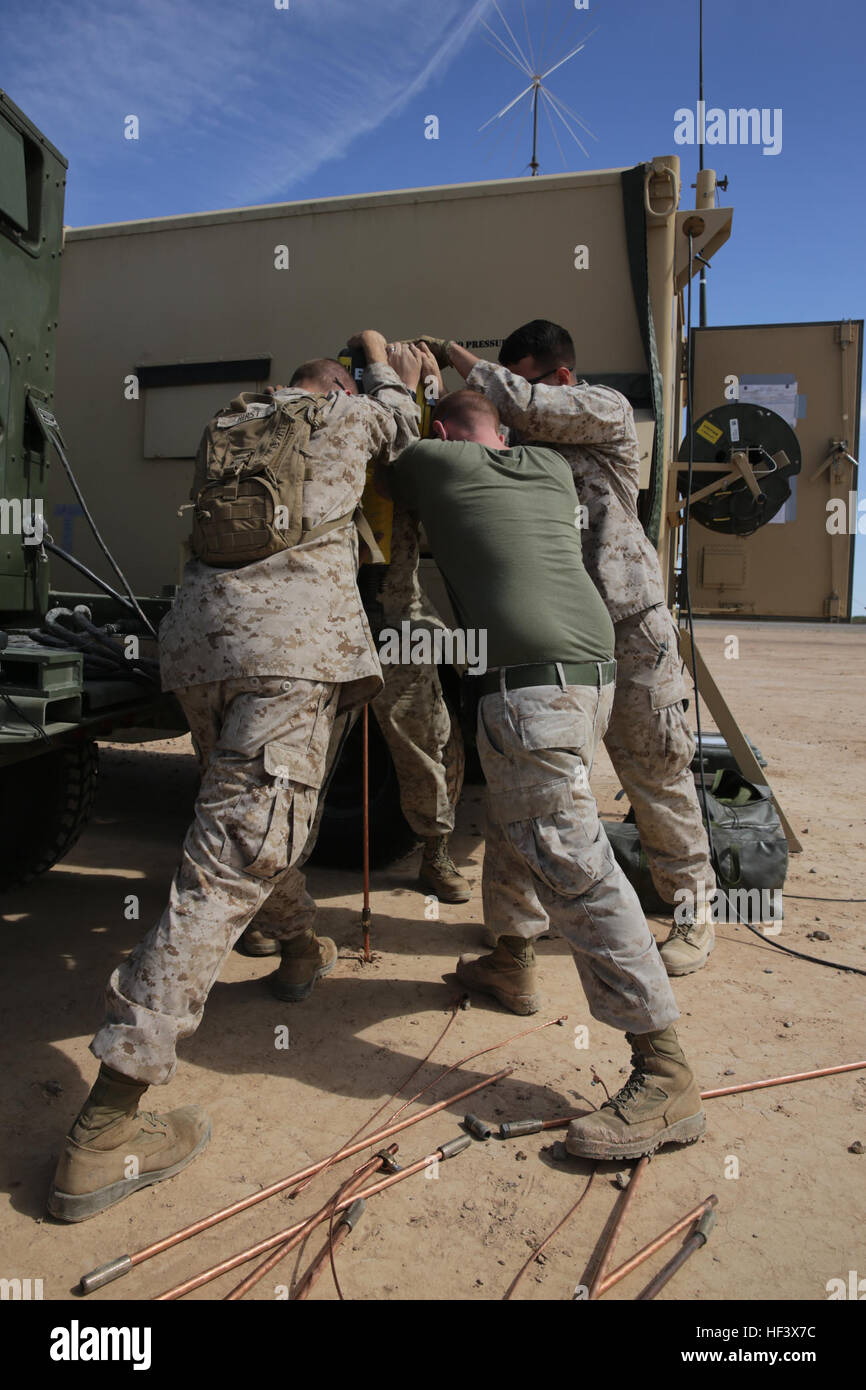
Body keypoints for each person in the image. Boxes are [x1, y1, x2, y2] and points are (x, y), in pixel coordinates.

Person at [47, 332, 422, 1222]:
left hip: (200, 650)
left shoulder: (231, 424)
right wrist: (382, 358)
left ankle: (295, 946)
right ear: (331, 392)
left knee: (252, 829)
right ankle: (106, 1126)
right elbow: (403, 417)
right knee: (226, 862)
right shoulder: (345, 414)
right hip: (287, 653)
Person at [388, 389, 705, 1162]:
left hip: (531, 687)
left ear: (444, 433)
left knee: (573, 861)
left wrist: (388, 370)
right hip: (589, 675)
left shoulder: (431, 460)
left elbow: (387, 445)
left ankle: (664, 1072)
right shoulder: (547, 468)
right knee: (510, 822)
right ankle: (512, 959)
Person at [416, 324, 716, 977]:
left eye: (524, 379)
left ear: (557, 378)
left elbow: (523, 405)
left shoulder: (602, 412)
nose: (515, 396)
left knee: (657, 772)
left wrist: (459, 357)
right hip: (551, 641)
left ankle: (693, 911)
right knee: (521, 794)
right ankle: (514, 944)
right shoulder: (516, 443)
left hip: (629, 626)